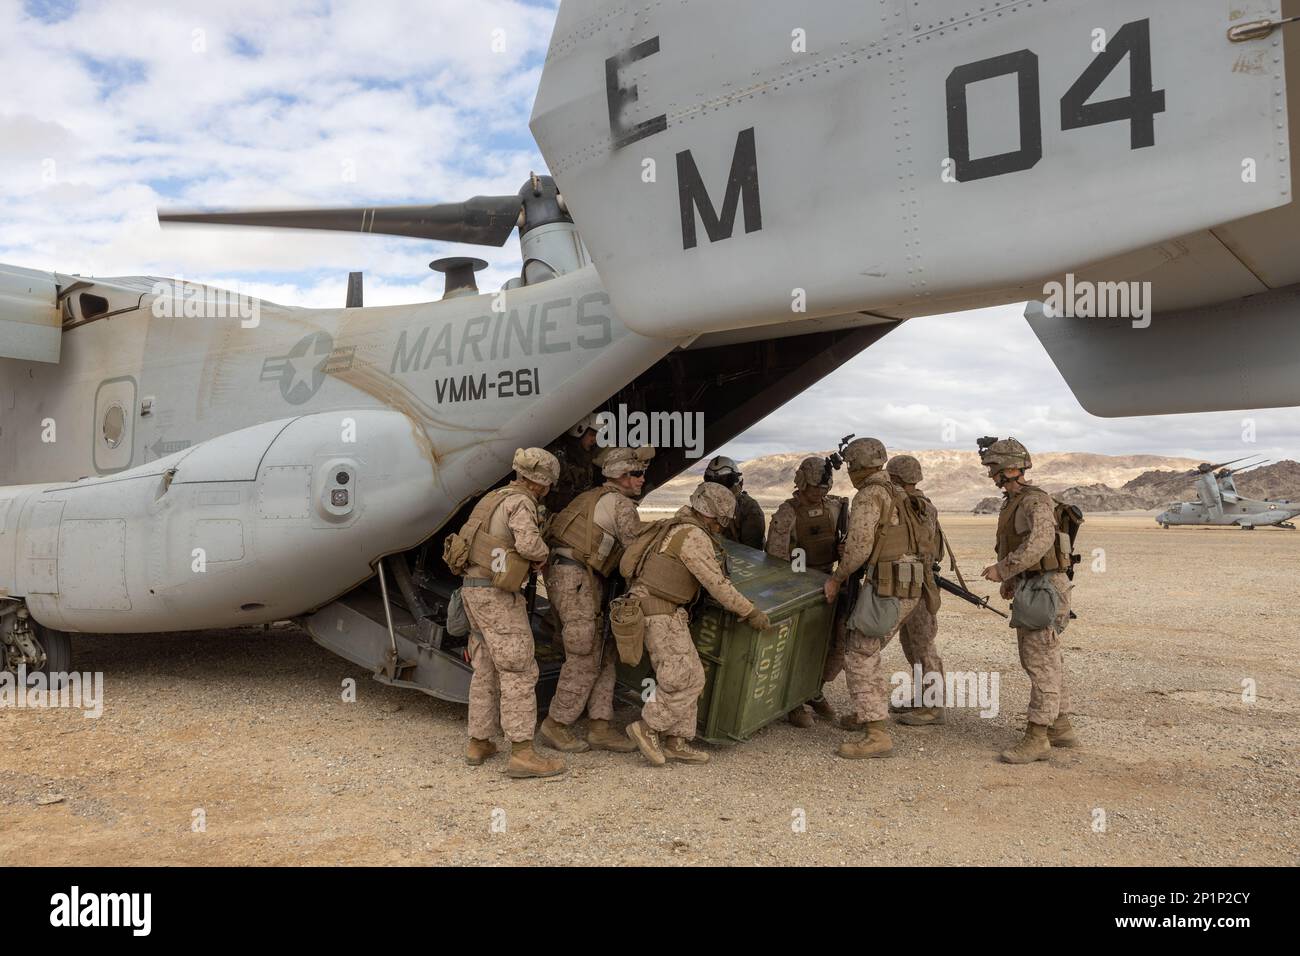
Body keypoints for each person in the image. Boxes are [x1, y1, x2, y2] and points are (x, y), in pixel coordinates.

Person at [623, 482, 771, 766]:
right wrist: (750, 611)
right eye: (720, 521)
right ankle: (648, 727)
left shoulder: (675, 525)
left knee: (693, 676)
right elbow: (717, 584)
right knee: (681, 679)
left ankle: (677, 741)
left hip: (663, 611)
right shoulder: (692, 536)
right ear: (712, 515)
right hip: (660, 612)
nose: (721, 527)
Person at [456, 447, 564, 779]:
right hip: (498, 594)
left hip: (472, 589)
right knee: (519, 670)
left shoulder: (492, 498)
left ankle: (479, 741)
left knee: (485, 667)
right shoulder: (521, 502)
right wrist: (543, 554)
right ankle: (522, 752)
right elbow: (530, 545)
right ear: (543, 483)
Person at [538, 446, 653, 755]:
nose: (643, 479)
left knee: (605, 651)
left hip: (574, 579)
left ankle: (599, 726)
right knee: (585, 653)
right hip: (578, 581)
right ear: (621, 477)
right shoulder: (621, 505)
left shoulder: (591, 497)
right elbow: (635, 553)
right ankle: (556, 724)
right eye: (637, 474)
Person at [822, 437, 927, 759]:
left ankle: (876, 733)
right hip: (908, 583)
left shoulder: (870, 495)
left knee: (860, 651)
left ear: (857, 467)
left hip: (888, 584)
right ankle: (867, 711)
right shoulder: (898, 491)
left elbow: (860, 546)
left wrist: (838, 577)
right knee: (870, 648)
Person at [979, 438, 1077, 764]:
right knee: (1047, 658)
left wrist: (1004, 568)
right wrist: (1011, 579)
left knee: (1040, 661)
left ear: (1010, 469)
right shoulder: (1015, 501)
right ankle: (1060, 726)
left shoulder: (1034, 502)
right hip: (1033, 585)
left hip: (1044, 588)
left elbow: (1040, 541)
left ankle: (1037, 737)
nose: (991, 475)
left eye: (993, 468)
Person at [765, 456, 848, 727]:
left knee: (834, 646)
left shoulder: (835, 508)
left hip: (830, 583)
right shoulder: (788, 513)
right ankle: (793, 702)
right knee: (798, 648)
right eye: (814, 488)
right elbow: (775, 557)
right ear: (801, 483)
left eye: (824, 488)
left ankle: (815, 690)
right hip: (798, 588)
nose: (819, 493)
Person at [885, 455, 947, 727]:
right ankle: (925, 698)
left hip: (914, 584)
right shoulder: (925, 505)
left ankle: (933, 707)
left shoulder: (908, 506)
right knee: (913, 645)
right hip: (919, 583)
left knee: (922, 646)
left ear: (895, 478)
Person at [704, 455, 765, 549]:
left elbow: (752, 552)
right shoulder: (703, 504)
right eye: (713, 483)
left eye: (723, 481)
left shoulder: (748, 508)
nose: (718, 488)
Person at [545, 413, 600, 513]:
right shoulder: (559, 458)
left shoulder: (584, 456)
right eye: (591, 435)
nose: (594, 440)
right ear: (579, 432)